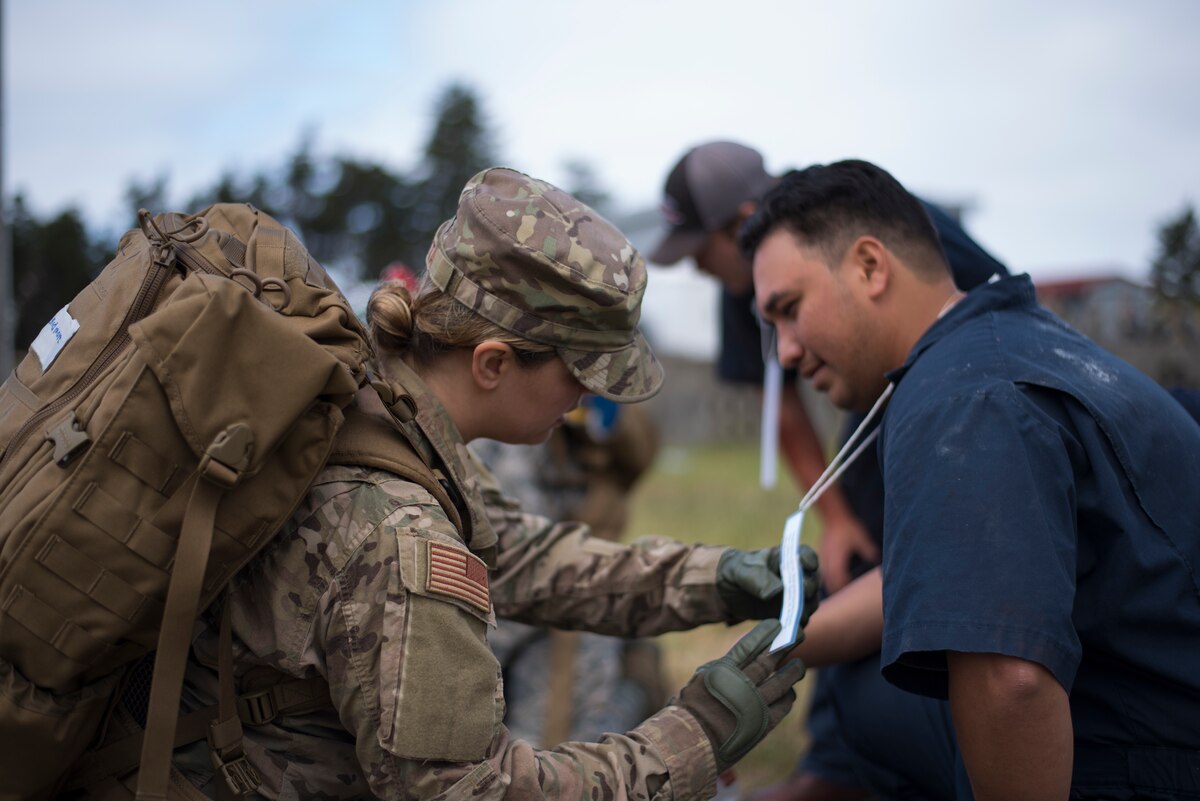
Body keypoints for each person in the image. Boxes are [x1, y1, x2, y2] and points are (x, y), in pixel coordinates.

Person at [80, 167, 819, 801]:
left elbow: (522, 557)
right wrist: (695, 737)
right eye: (581, 373)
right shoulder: (396, 532)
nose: (588, 400)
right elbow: (470, 789)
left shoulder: (377, 403)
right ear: (493, 362)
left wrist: (716, 579)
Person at [741, 159, 1200, 801]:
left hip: (1142, 756)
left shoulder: (961, 398)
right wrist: (766, 655)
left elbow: (1011, 681)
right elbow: (943, 575)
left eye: (789, 310)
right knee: (867, 676)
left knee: (893, 687)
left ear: (871, 267)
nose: (784, 351)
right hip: (1155, 702)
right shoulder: (1015, 340)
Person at [651, 141, 1008, 801]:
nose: (701, 269)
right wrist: (838, 518)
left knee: (952, 589)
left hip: (952, 406)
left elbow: (997, 306)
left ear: (744, 217)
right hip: (872, 422)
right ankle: (838, 767)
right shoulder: (746, 284)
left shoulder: (871, 216)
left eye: (702, 251)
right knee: (854, 574)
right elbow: (777, 405)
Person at [475, 396, 668, 746]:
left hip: (567, 612)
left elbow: (638, 452)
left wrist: (605, 413)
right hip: (498, 618)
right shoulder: (503, 433)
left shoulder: (592, 419)